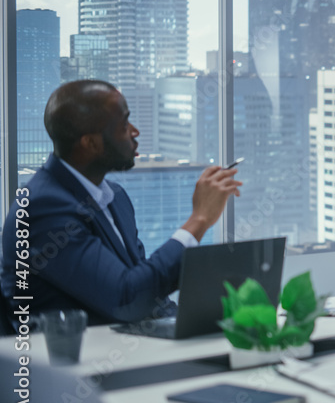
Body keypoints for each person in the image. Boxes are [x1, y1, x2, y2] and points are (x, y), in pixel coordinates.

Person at [1, 80, 241, 328]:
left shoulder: (115, 198)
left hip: (130, 349)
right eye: (124, 124)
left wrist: (197, 323)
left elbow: (147, 291)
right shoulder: (42, 208)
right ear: (90, 143)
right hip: (69, 360)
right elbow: (126, 299)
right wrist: (199, 220)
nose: (135, 132)